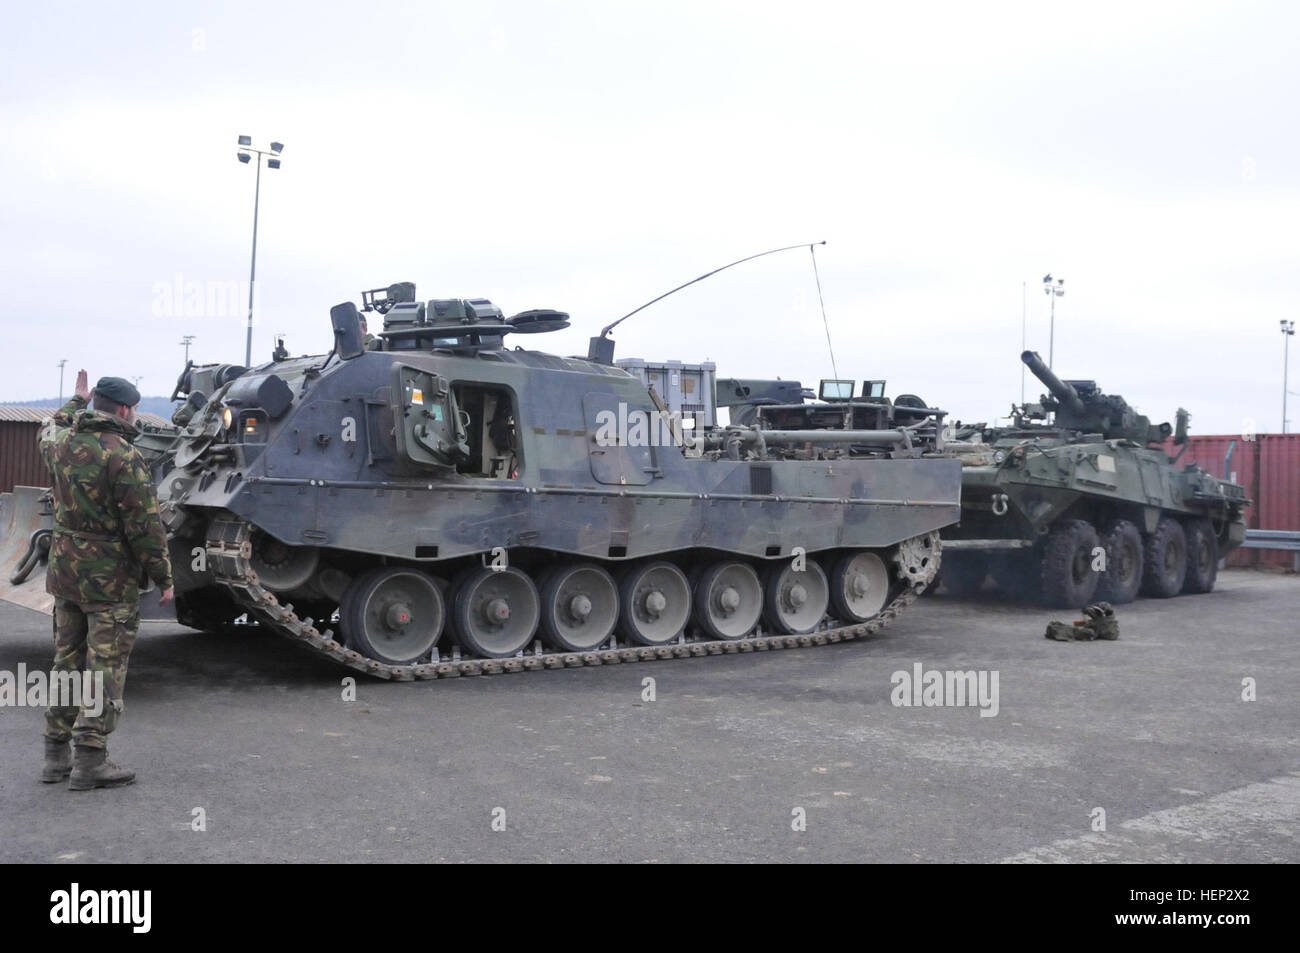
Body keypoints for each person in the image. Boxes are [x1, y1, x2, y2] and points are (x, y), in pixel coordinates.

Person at [39, 370, 174, 790]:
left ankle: (54, 757)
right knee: (105, 666)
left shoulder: (61, 444)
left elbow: (50, 428)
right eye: (133, 410)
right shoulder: (125, 457)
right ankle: (91, 761)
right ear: (124, 410)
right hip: (109, 582)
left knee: (67, 661)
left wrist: (76, 401)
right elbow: (144, 527)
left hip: (65, 574)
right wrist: (163, 576)